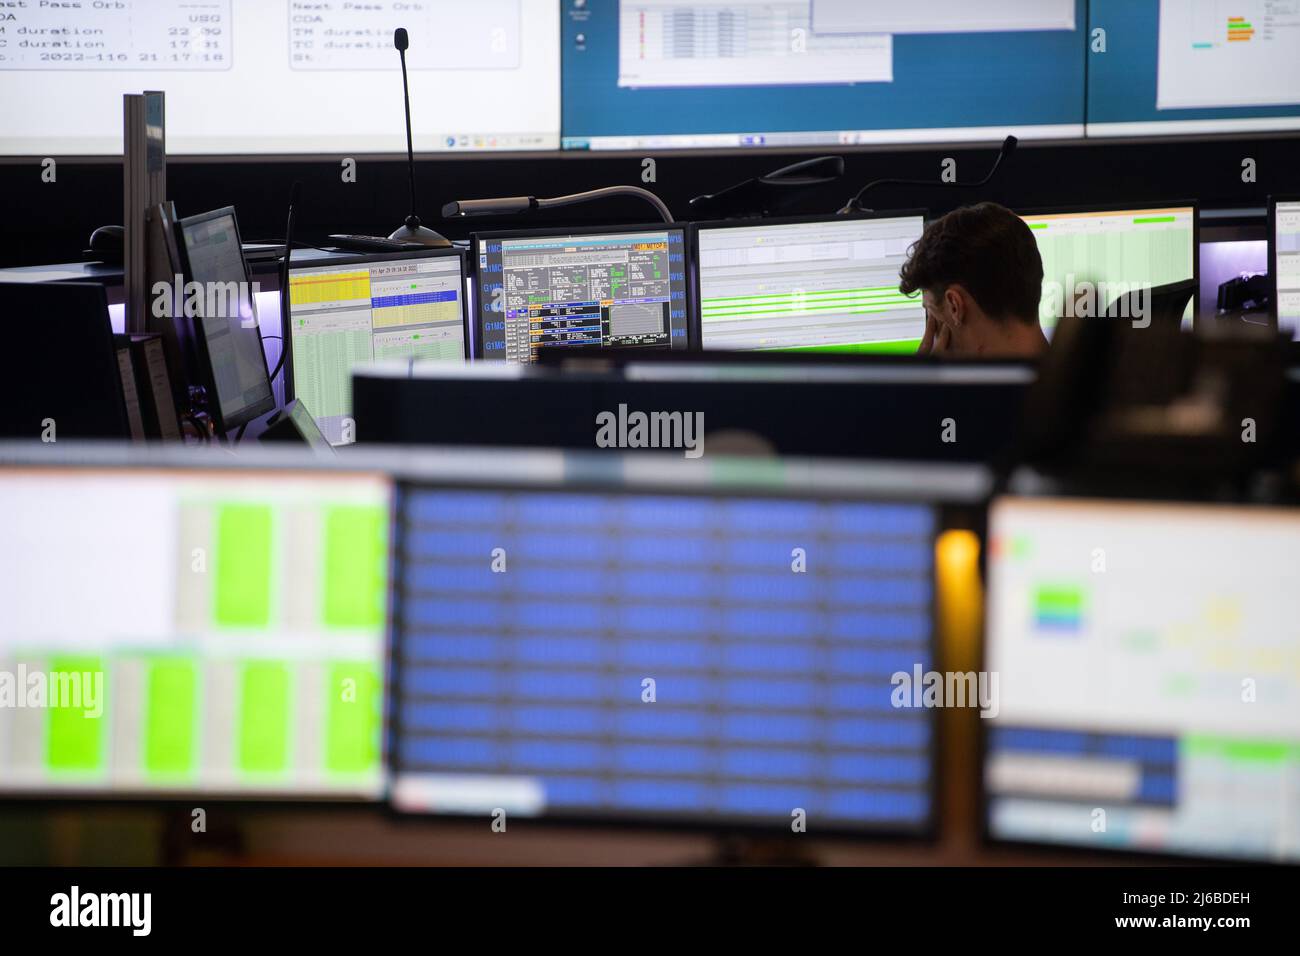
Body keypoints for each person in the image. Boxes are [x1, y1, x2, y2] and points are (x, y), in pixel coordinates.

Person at [899, 202, 1049, 358]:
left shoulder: (936, 380)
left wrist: (922, 378)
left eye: (932, 315)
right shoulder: (1070, 376)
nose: (930, 335)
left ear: (955, 305)